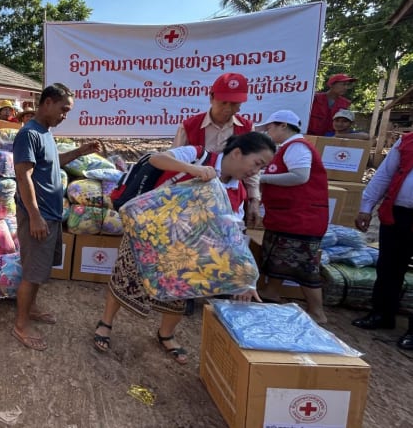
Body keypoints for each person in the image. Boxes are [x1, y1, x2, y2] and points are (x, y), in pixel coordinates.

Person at [92, 132, 275, 362]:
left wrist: (246, 280)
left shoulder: (237, 191)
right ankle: (106, 323)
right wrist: (194, 170)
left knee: (179, 293)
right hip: (149, 234)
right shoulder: (198, 155)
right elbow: (156, 159)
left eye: (262, 167)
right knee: (125, 276)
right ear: (237, 153)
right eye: (257, 163)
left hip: (186, 250)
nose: (256, 171)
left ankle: (166, 334)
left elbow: (234, 238)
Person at [12, 83, 102, 351]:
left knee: (40, 270)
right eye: (64, 109)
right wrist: (35, 216)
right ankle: (20, 325)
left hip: (50, 214)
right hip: (37, 216)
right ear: (48, 102)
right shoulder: (28, 134)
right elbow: (23, 176)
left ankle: (32, 308)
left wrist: (82, 151)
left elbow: (53, 162)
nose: (65, 115)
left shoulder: (45, 133)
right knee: (31, 272)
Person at [255, 110, 329, 323]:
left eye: (270, 128)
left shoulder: (297, 147)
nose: (268, 132)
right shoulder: (285, 148)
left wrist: (264, 178)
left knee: (304, 265)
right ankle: (271, 291)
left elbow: (300, 176)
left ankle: (317, 311)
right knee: (278, 256)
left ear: (283, 126)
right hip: (286, 216)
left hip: (301, 218)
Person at [172, 72, 261, 227]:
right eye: (223, 102)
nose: (227, 109)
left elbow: (251, 168)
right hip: (193, 201)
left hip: (231, 202)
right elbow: (173, 165)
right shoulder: (189, 126)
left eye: (234, 104)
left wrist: (254, 199)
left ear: (241, 105)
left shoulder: (247, 128)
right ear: (211, 98)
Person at [351, 133, 413, 351]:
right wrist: (366, 207)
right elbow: (384, 175)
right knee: (388, 266)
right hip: (398, 213)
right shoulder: (407, 141)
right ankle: (382, 314)